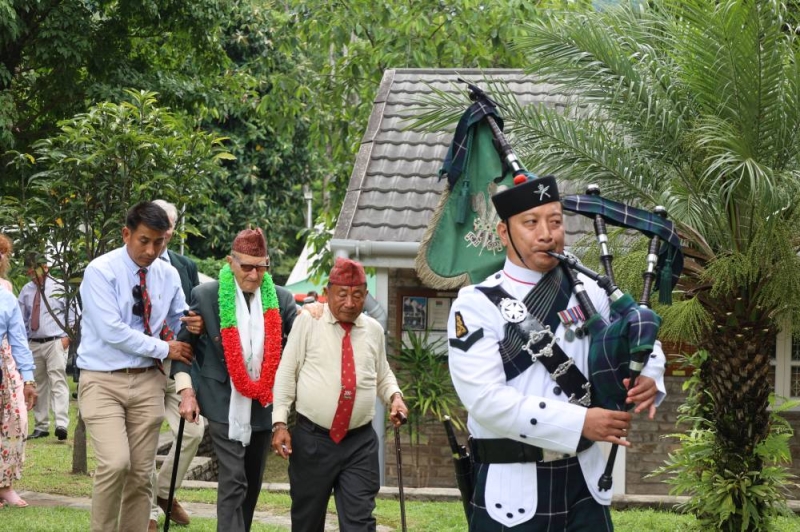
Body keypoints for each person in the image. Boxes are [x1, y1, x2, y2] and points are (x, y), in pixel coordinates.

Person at [446, 174, 667, 531]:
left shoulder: (590, 288)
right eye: (531, 223)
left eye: (555, 221)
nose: (547, 234)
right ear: (505, 233)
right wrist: (581, 422)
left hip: (584, 481)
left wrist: (650, 374)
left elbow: (640, 332)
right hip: (513, 490)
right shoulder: (475, 305)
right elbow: (485, 400)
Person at [76, 201, 198, 532]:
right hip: (102, 380)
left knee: (140, 473)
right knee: (116, 464)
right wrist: (165, 347)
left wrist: (193, 321)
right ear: (126, 234)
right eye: (144, 240)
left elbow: (178, 317)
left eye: (159, 242)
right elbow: (112, 331)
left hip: (148, 382)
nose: (151, 249)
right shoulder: (100, 271)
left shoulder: (168, 273)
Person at [172, 228, 297, 532]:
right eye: (247, 266)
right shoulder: (207, 295)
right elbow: (182, 349)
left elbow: (301, 336)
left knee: (251, 482)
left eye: (262, 266)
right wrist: (186, 391)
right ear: (231, 262)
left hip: (263, 403)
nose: (255, 275)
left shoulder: (281, 298)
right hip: (221, 402)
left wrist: (317, 312)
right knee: (233, 478)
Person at [271, 257, 409, 532]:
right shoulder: (308, 321)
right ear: (328, 292)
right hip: (313, 441)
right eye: (342, 294)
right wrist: (280, 423)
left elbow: (382, 373)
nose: (349, 303)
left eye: (357, 295)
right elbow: (287, 372)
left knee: (360, 522)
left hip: (359, 443)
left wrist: (395, 396)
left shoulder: (373, 330)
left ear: (365, 296)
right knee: (307, 522)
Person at [148, 199, 204, 530]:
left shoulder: (185, 266)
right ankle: (149, 515)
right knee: (144, 441)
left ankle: (164, 494)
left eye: (167, 227)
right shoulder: (130, 264)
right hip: (144, 365)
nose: (163, 233)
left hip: (178, 366)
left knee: (195, 430)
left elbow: (192, 314)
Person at [18, 259, 73, 441]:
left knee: (58, 380)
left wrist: (68, 336)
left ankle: (61, 424)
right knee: (36, 384)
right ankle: (41, 426)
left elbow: (72, 313)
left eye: (36, 270)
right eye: (31, 271)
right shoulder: (26, 290)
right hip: (33, 342)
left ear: (46, 268)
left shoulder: (60, 287)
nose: (33, 275)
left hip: (55, 340)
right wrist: (24, 341)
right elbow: (21, 318)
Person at [0, 234, 37, 508]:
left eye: (2, 253)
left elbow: (19, 339)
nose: (1, 257)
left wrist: (29, 379)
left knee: (16, 424)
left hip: (5, 369)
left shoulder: (6, 294)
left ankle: (5, 485)